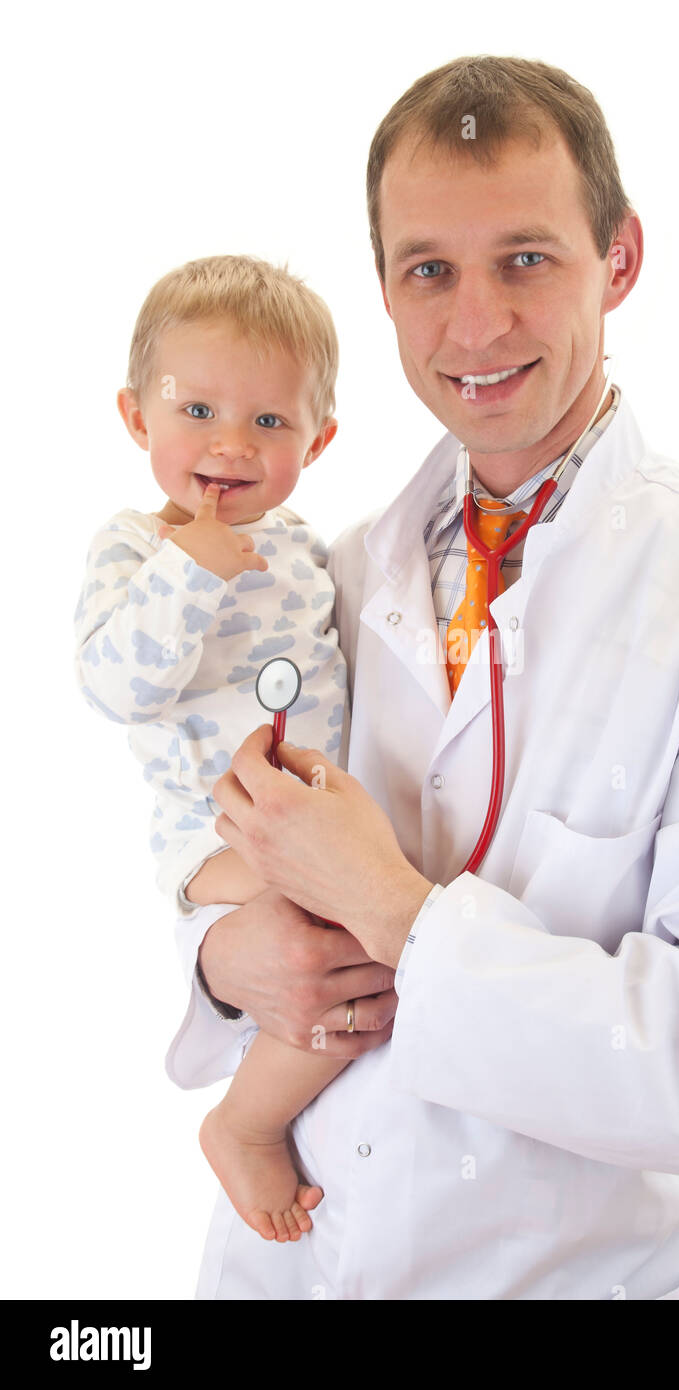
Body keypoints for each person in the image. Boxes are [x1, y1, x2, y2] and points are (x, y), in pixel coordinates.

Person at [169, 57, 679, 1300]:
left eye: (525, 259)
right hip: (283, 1269)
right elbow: (210, 844)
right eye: (430, 271)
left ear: (618, 261)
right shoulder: (324, 575)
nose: (474, 326)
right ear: (385, 292)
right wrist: (218, 961)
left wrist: (405, 917)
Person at [74, 253, 382, 1243]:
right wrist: (186, 572)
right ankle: (244, 1124)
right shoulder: (134, 550)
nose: (231, 445)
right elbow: (114, 684)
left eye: (269, 421)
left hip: (306, 816)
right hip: (213, 836)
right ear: (137, 419)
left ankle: (265, 1097)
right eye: (197, 411)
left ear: (319, 438)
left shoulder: (306, 548)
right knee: (350, 942)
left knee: (366, 948)